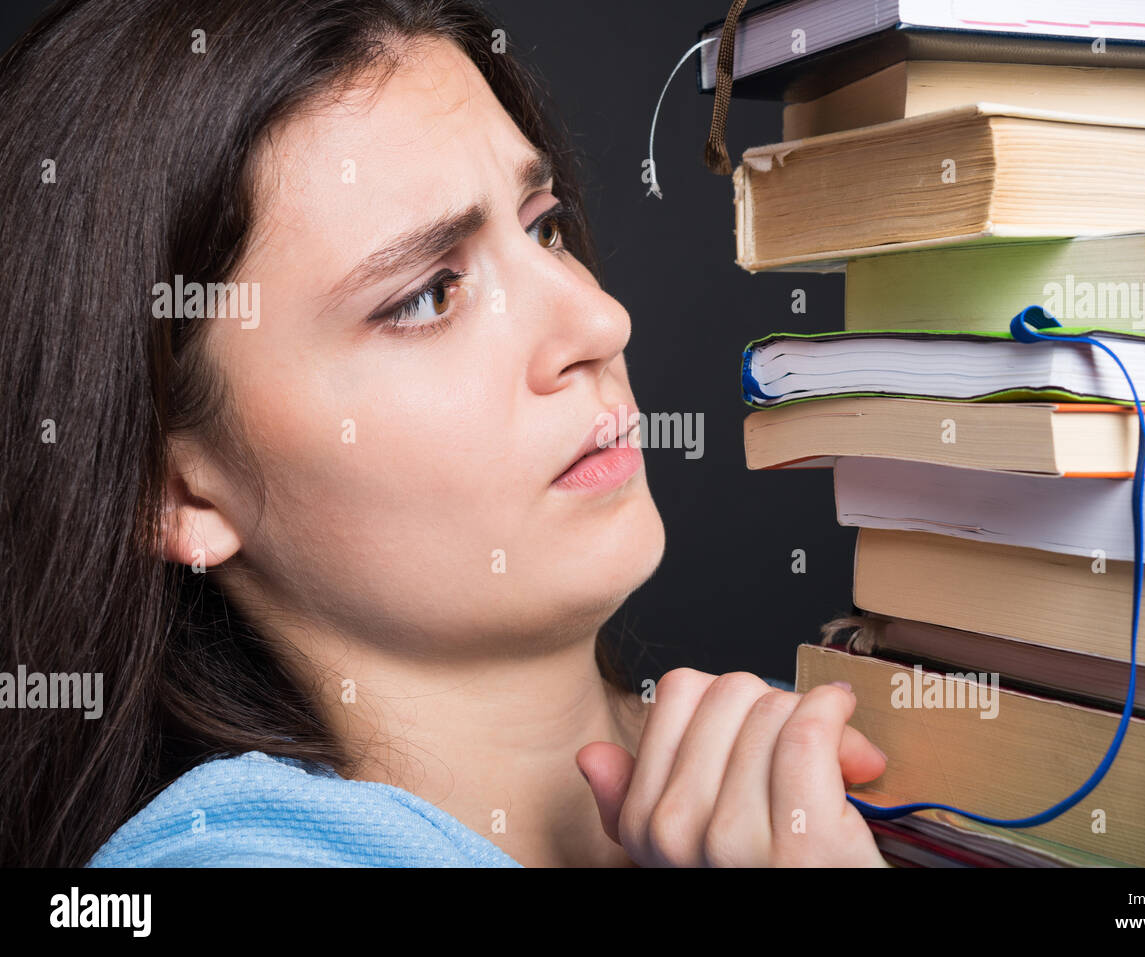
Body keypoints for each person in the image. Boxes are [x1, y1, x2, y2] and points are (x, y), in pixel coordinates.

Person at [0, 0, 888, 867]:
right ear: (183, 490)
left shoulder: (852, 749)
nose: (600, 321)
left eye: (546, 228)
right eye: (425, 297)